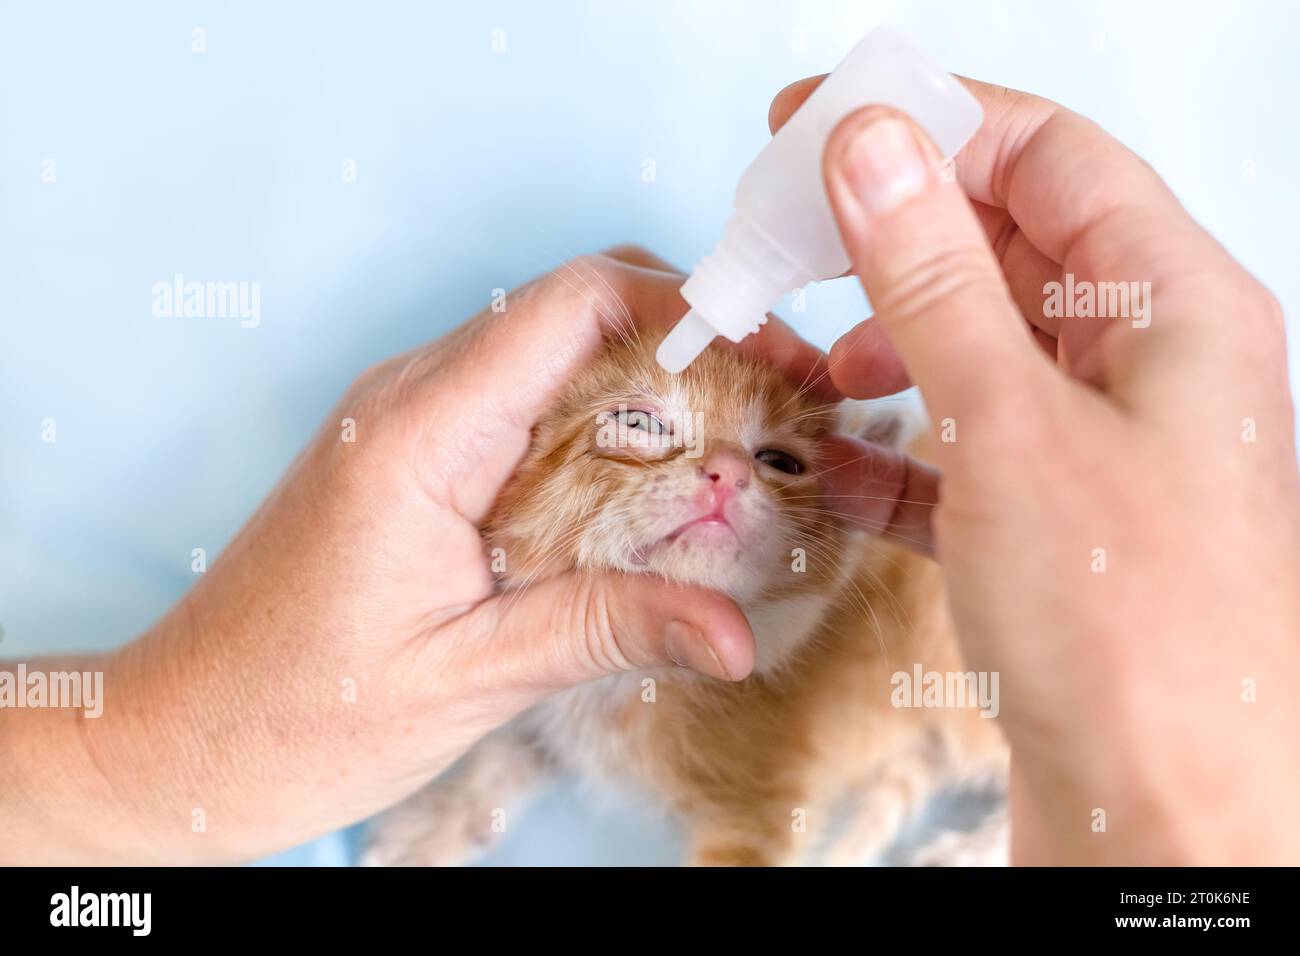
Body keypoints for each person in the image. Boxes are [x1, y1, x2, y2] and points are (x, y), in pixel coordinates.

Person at [2, 76, 1297, 866]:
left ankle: (956, 768)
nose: (727, 477)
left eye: (783, 458)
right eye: (639, 430)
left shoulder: (781, 633)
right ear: (508, 480)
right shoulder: (524, 602)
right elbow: (555, 709)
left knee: (938, 721)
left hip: (985, 711)